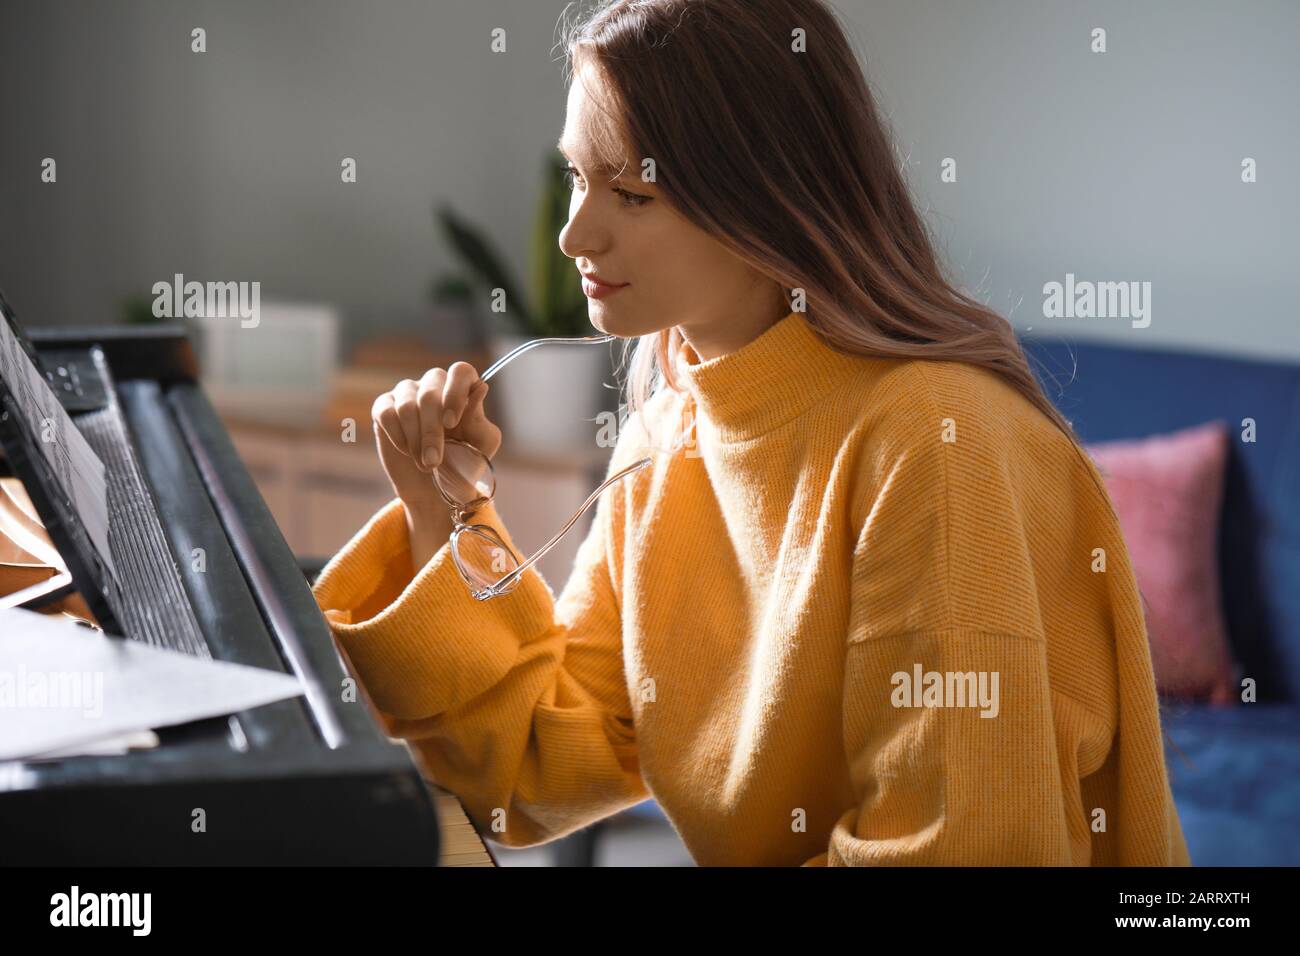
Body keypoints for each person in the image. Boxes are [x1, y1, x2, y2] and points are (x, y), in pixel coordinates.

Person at [311, 0, 1190, 866]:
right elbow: (536, 771)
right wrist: (445, 518)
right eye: (579, 178)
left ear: (766, 200)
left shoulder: (936, 442)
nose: (577, 232)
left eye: (633, 192)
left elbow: (957, 850)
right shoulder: (665, 432)